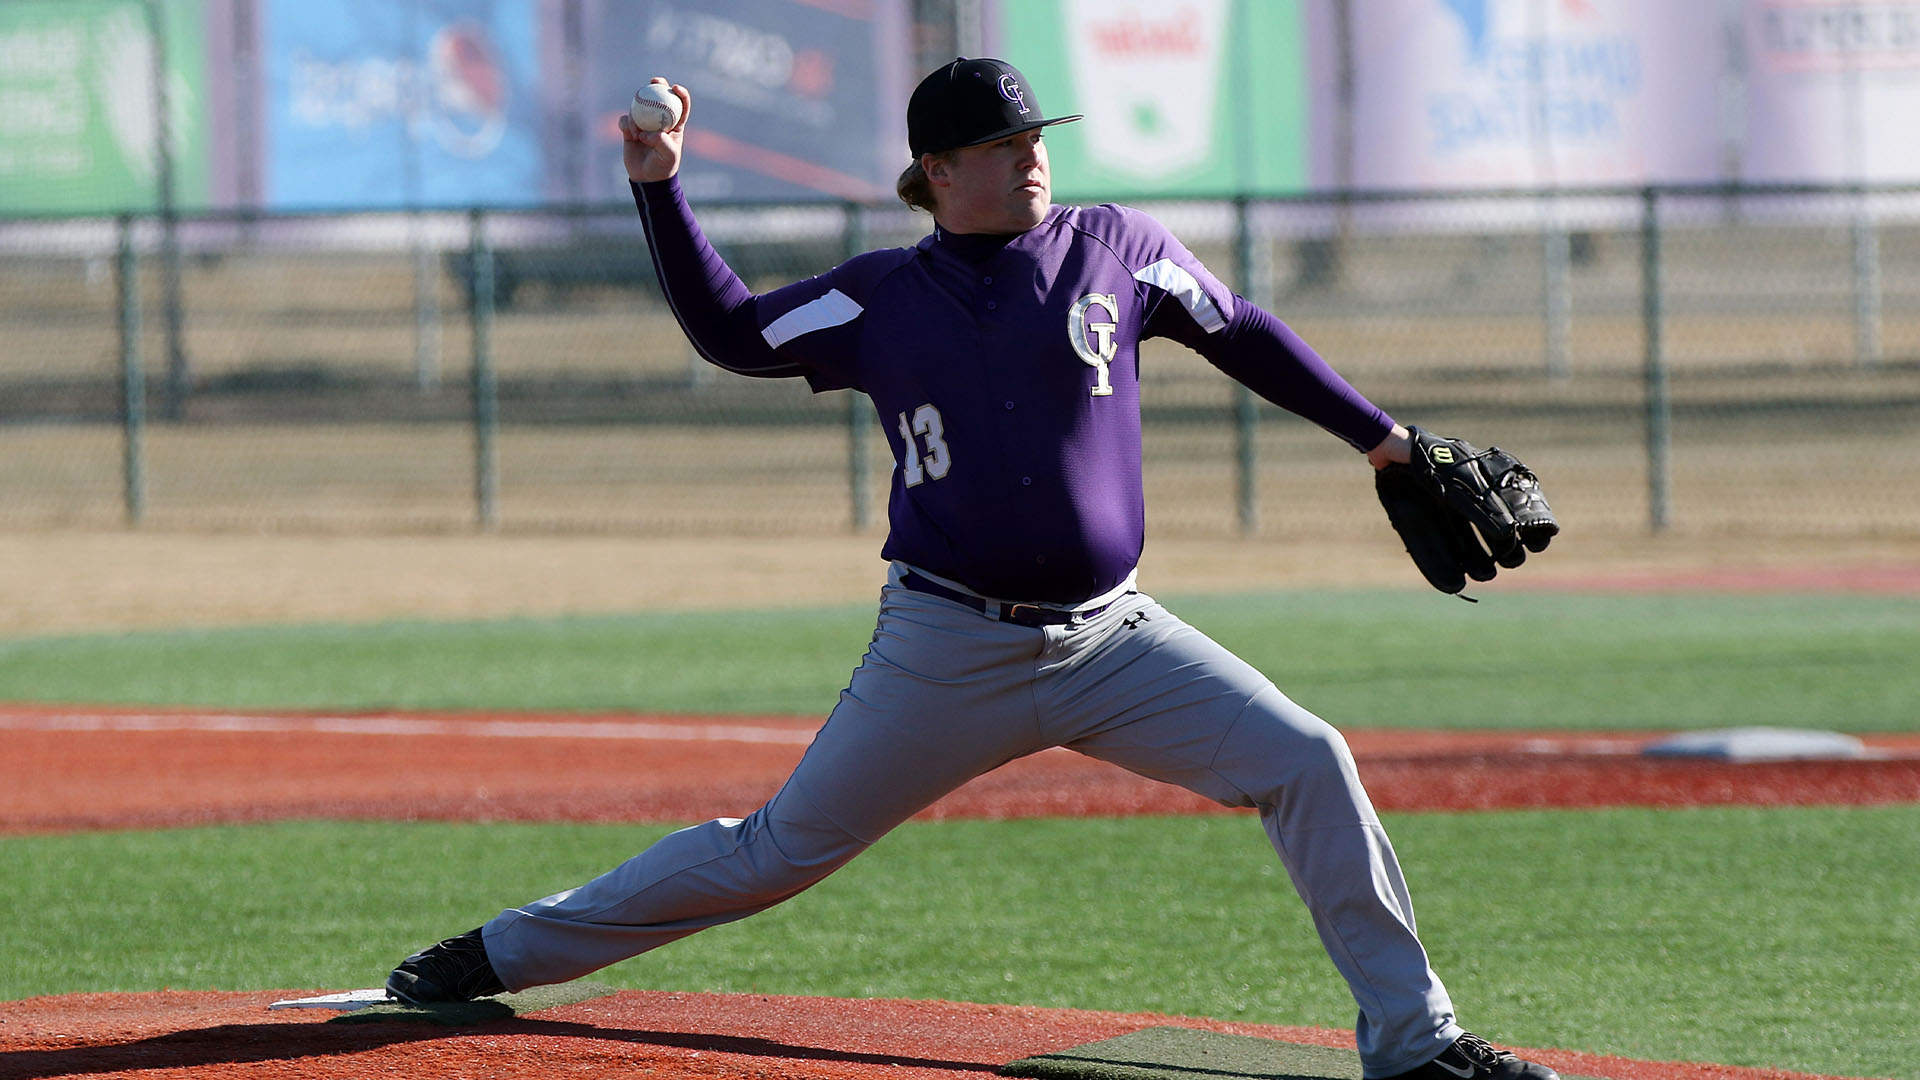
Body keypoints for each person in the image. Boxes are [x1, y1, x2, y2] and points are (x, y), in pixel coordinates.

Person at [387, 59, 1559, 1080]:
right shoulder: (881, 297)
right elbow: (734, 334)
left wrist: (1385, 440)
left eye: (1036, 138)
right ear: (938, 170)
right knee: (775, 853)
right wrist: (660, 184)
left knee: (1309, 760)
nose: (1030, 159)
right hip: (946, 648)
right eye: (1003, 145)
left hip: (1117, 641)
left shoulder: (1119, 249)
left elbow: (1239, 326)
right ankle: (498, 952)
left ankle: (1414, 1045)